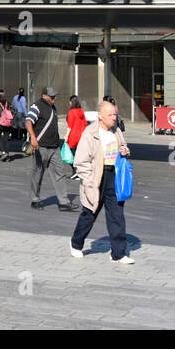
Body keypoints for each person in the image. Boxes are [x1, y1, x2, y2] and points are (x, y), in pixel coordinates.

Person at [70, 100, 133, 263]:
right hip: (96, 176)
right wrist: (89, 180)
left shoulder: (116, 130)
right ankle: (76, 243)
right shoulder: (90, 133)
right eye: (110, 115)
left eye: (115, 114)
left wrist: (125, 150)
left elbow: (123, 145)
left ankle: (119, 253)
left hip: (114, 175)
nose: (114, 118)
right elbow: (80, 161)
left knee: (117, 215)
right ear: (100, 116)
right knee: (90, 212)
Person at [27, 87, 75, 211]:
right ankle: (35, 199)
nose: (55, 98)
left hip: (54, 147)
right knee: (37, 173)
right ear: (44, 95)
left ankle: (64, 202)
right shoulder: (36, 106)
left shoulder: (53, 108)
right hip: (41, 146)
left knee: (60, 173)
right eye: (52, 96)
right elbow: (28, 121)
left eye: (55, 96)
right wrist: (33, 137)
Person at [65, 95, 87, 180]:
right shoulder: (81, 111)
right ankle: (79, 172)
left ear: (71, 102)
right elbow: (85, 123)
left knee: (70, 155)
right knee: (79, 155)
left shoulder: (71, 112)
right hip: (81, 136)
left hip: (73, 136)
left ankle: (75, 171)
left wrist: (66, 136)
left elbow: (70, 126)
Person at [0, 89, 15, 161]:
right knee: (6, 139)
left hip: (1, 123)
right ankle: (8, 156)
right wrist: (11, 118)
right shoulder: (8, 103)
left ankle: (3, 153)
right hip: (8, 124)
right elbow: (15, 110)